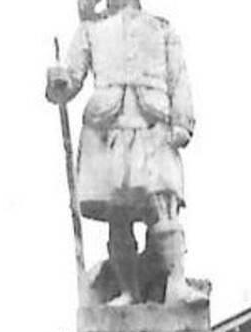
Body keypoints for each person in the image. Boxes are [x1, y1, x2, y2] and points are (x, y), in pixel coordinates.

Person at [45, 0, 207, 307]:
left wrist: (183, 122)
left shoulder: (162, 29)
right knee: (117, 215)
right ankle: (127, 290)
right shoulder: (90, 30)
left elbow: (179, 79)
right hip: (108, 128)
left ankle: (176, 283)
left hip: (153, 125)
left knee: (163, 203)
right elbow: (70, 83)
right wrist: (59, 81)